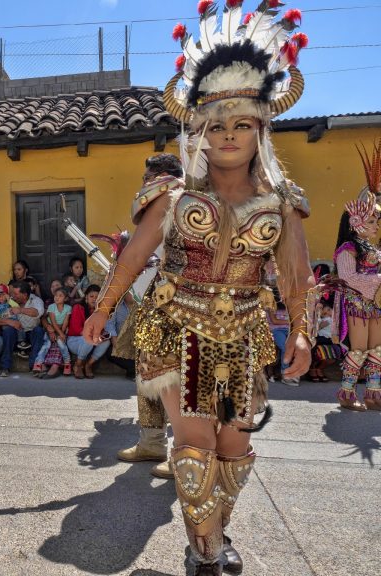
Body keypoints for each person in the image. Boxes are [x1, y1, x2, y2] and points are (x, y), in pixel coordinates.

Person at [84, 5, 312, 573]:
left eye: (242, 124)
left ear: (262, 129)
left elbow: (295, 276)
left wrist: (303, 333)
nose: (228, 136)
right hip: (176, 324)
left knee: (234, 449)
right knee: (193, 446)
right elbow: (134, 257)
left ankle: (208, 534)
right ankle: (208, 548)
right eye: (216, 125)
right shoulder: (172, 193)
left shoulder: (283, 202)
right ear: (198, 132)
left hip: (242, 334)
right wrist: (103, 308)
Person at [113, 154, 183, 480]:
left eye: (147, 178)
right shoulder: (161, 208)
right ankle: (152, 440)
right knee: (147, 368)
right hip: (157, 293)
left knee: (179, 373)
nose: (143, 184)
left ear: (163, 177)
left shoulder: (184, 202)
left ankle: (187, 451)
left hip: (187, 299)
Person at [333, 151, 381, 410]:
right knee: (359, 350)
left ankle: (374, 394)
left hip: (373, 304)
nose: (376, 226)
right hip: (356, 305)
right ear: (356, 222)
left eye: (377, 221)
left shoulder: (372, 250)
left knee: (378, 349)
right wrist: (378, 280)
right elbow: (348, 277)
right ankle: (347, 394)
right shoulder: (348, 248)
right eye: (372, 221)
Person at [0, 280, 44, 377]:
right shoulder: (9, 302)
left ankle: (34, 366)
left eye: (16, 294)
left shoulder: (36, 300)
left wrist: (20, 310)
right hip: (16, 334)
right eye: (12, 293)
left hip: (31, 333)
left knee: (39, 331)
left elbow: (37, 312)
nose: (13, 296)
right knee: (8, 331)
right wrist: (10, 322)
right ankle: (5, 367)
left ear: (25, 295)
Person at [67, 285, 111, 378]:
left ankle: (88, 365)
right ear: (86, 297)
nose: (94, 299)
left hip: (91, 342)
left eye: (97, 297)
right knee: (89, 338)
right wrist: (94, 335)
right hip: (75, 341)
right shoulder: (78, 307)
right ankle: (78, 365)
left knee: (106, 342)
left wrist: (103, 335)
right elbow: (76, 329)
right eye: (91, 296)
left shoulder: (101, 312)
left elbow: (103, 329)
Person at [33, 287, 72, 376]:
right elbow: (53, 322)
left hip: (61, 330)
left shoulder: (68, 308)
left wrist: (61, 334)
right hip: (51, 330)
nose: (57, 297)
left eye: (60, 296)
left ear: (65, 299)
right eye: (55, 295)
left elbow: (66, 322)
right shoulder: (51, 307)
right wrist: (59, 333)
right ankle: (38, 362)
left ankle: (67, 363)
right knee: (46, 345)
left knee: (61, 344)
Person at [309, 300, 341, 382]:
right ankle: (312, 369)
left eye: (329, 310)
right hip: (320, 339)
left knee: (334, 355)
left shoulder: (334, 320)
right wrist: (318, 318)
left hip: (330, 340)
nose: (327, 313)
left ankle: (319, 368)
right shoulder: (322, 320)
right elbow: (316, 330)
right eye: (324, 311)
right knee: (315, 351)